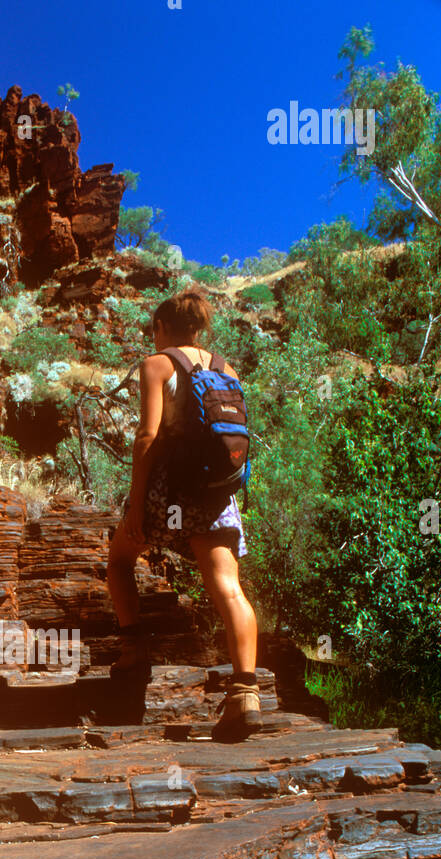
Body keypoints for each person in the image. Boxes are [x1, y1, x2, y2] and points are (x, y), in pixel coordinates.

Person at [106, 288, 262, 741]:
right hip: (218, 493)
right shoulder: (226, 370)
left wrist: (138, 504)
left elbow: (146, 438)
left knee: (119, 559)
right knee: (228, 587)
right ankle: (245, 693)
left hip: (170, 494)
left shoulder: (157, 364)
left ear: (161, 328)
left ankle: (134, 652)